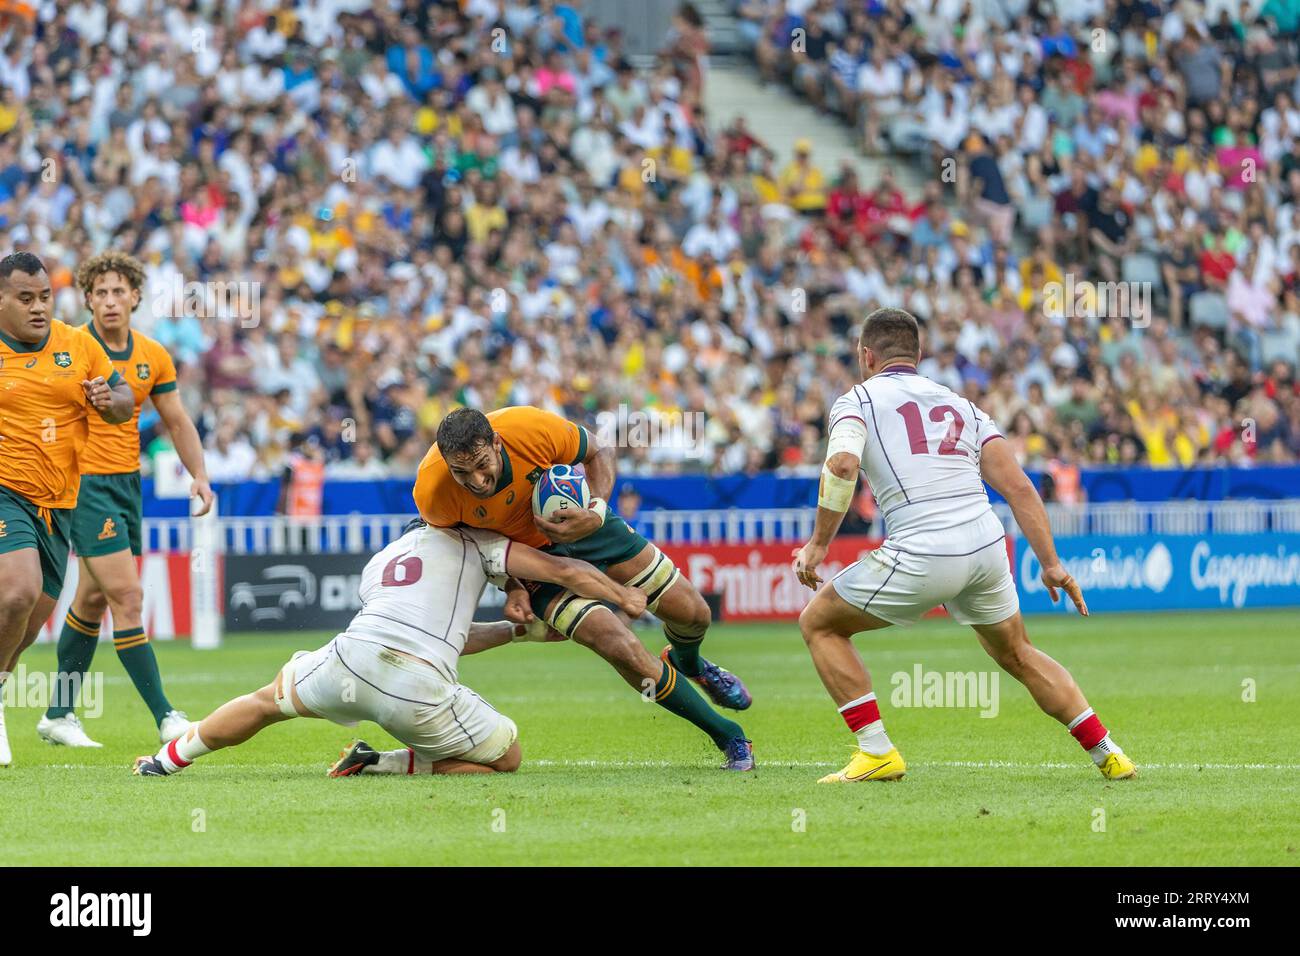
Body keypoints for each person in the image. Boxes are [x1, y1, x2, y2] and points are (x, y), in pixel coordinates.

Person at [792, 308, 1137, 783]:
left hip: (924, 548)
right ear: (919, 355)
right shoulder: (962, 406)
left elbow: (842, 466)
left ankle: (876, 751)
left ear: (867, 356)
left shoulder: (857, 400)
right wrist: (1051, 564)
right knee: (1019, 653)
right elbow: (1019, 488)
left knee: (819, 624)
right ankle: (1108, 752)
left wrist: (816, 546)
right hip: (986, 546)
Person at [132, 520, 647, 777]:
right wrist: (622, 596)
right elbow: (560, 570)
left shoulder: (381, 559)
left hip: (350, 659)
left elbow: (434, 631)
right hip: (415, 689)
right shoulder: (475, 541)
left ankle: (165, 762)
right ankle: (380, 763)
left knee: (265, 702)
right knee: (507, 757)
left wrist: (513, 633)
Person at [413, 406, 755, 770]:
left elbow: (599, 450)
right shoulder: (433, 492)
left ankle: (691, 663)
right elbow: (474, 548)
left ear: (497, 443)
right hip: (531, 561)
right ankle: (729, 736)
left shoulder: (528, 428)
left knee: (694, 615)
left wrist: (595, 510)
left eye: (483, 465)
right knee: (617, 644)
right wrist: (512, 585)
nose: (478, 481)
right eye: (462, 472)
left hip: (587, 527)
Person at [38, 252, 214, 748]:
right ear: (87, 299)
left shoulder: (152, 355)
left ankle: (58, 714)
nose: (110, 301)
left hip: (126, 486)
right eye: (101, 292)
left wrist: (200, 475)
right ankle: (166, 716)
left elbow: (176, 419)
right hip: (84, 485)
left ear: (135, 297)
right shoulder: (70, 349)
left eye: (119, 291)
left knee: (92, 600)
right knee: (129, 597)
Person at [0, 252, 133, 767]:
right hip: (6, 492)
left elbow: (124, 402)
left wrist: (107, 400)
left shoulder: (78, 345)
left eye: (44, 297)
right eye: (25, 298)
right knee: (17, 590)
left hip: (59, 504)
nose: (39, 308)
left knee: (30, 621)